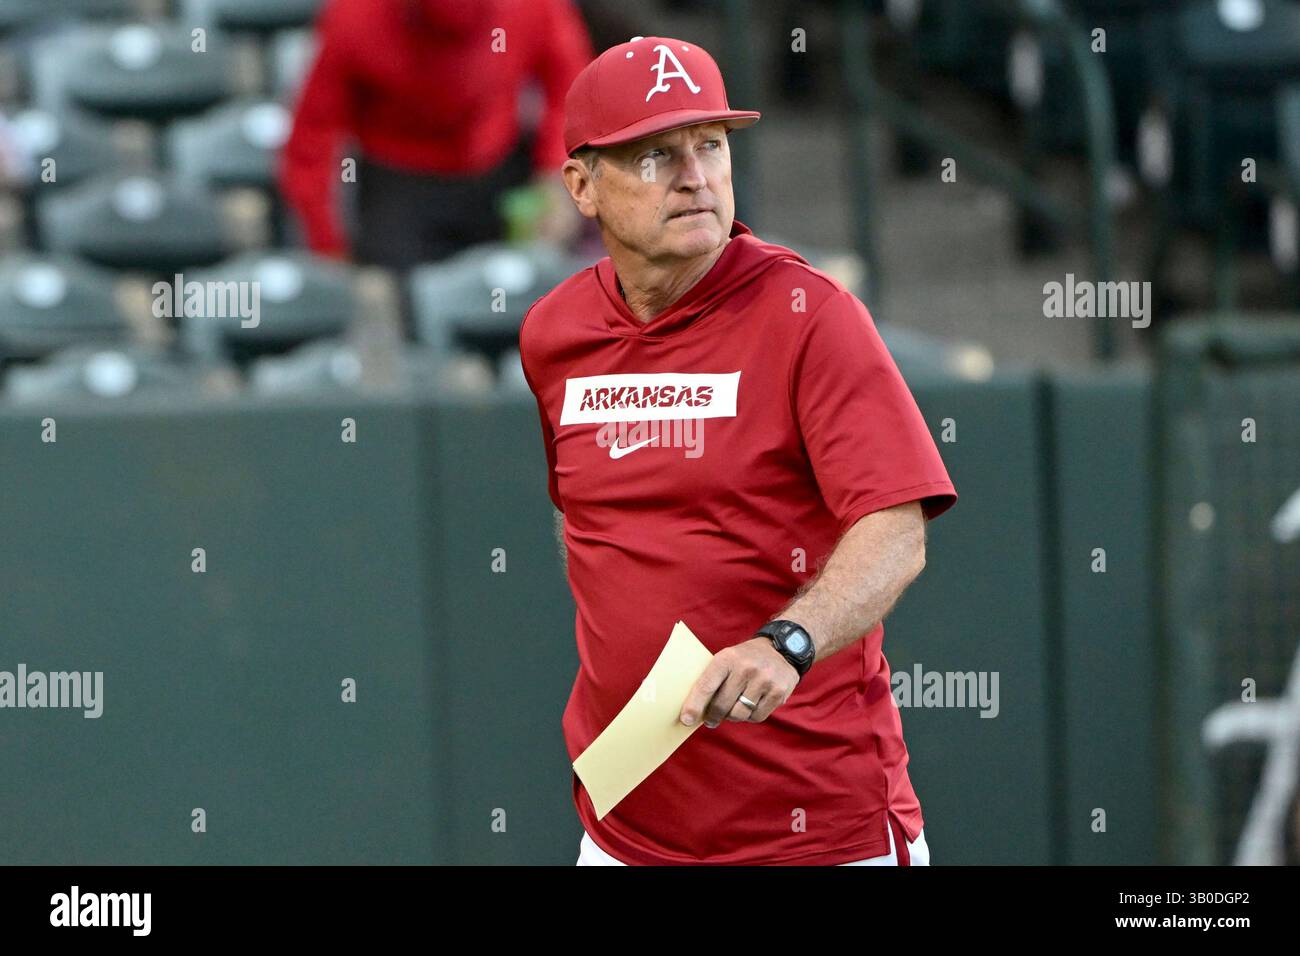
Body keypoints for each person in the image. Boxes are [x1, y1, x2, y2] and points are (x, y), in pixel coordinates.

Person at [518, 36, 958, 866]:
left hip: (813, 834)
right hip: (627, 832)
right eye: (655, 155)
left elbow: (896, 530)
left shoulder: (810, 315)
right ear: (582, 185)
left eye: (710, 146)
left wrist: (784, 642)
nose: (694, 175)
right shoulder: (554, 333)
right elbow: (580, 518)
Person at [277, 0, 592, 272]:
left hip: (498, 171)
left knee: (525, 295)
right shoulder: (356, 15)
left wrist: (556, 172)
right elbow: (311, 140)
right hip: (398, 188)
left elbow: (570, 85)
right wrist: (327, 246)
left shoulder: (528, 7)